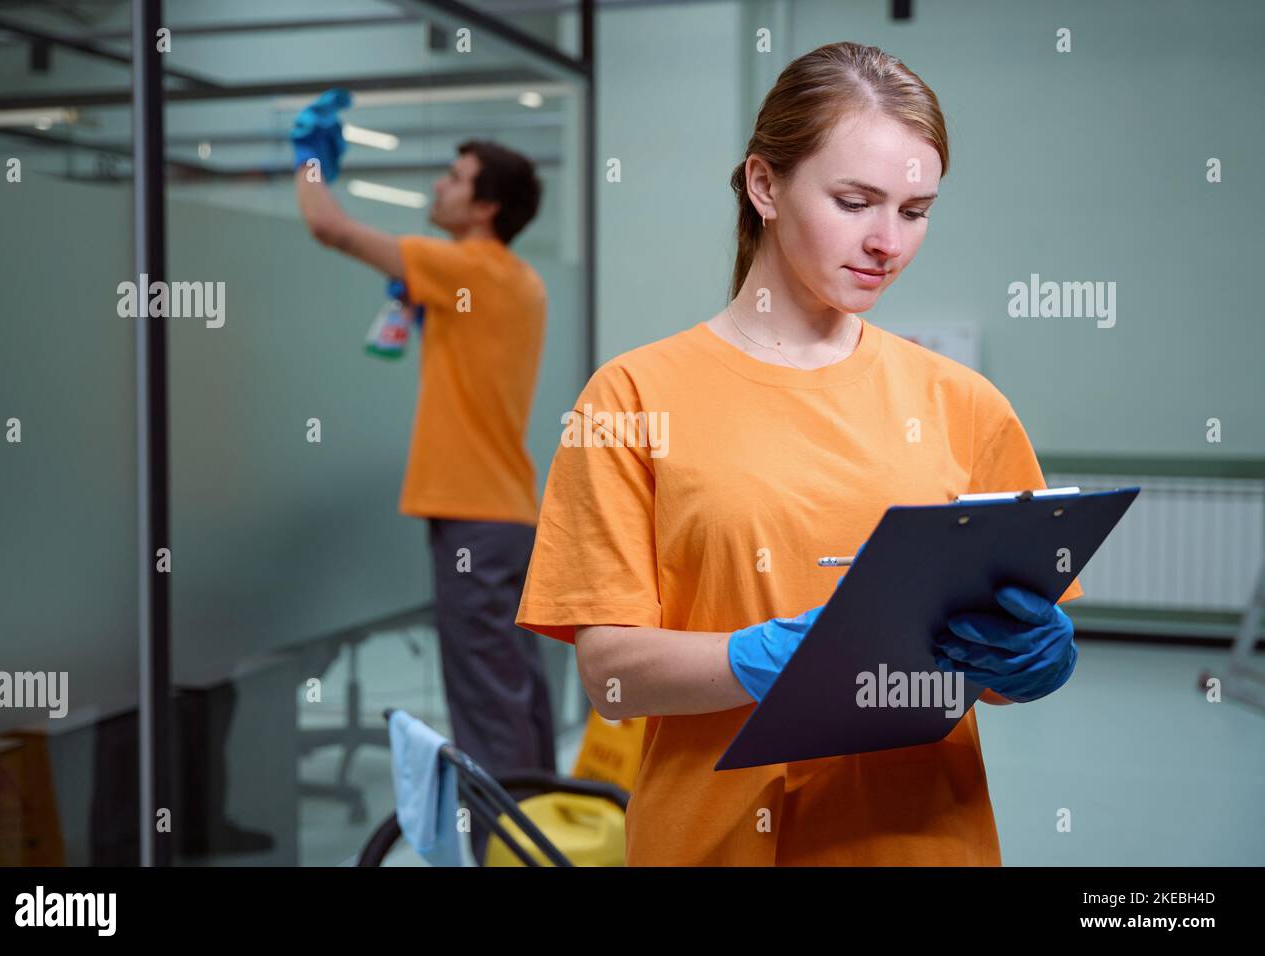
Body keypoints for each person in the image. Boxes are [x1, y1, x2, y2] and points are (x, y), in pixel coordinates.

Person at [515, 42, 1084, 866]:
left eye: (915, 211)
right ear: (765, 185)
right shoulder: (632, 398)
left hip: (918, 839)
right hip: (714, 838)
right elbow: (608, 677)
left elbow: (991, 662)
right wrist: (772, 656)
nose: (887, 241)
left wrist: (1027, 657)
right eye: (855, 201)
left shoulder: (963, 406)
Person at [289, 91, 555, 863]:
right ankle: (547, 835)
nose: (439, 184)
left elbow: (327, 224)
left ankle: (504, 854)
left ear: (486, 205)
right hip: (508, 515)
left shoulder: (463, 266)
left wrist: (310, 160)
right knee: (518, 692)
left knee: (485, 703)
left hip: (473, 516)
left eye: (455, 175)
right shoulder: (515, 280)